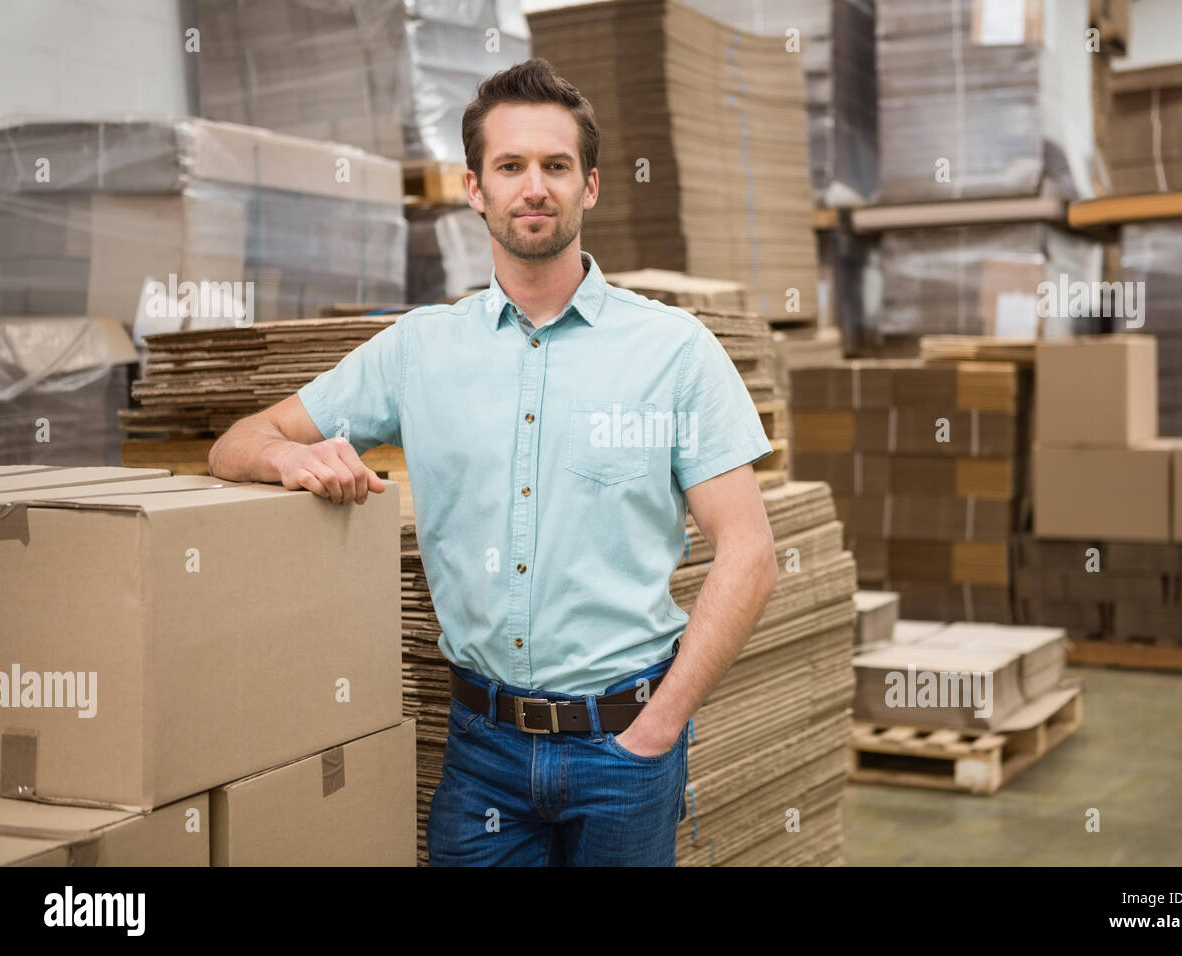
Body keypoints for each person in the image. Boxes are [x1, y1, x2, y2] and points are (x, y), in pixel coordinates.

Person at [208, 57, 779, 866]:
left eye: (556, 165)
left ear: (591, 186)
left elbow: (750, 553)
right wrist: (288, 461)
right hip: (483, 753)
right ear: (475, 188)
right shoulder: (419, 350)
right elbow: (235, 441)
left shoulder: (674, 352)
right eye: (510, 166)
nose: (533, 186)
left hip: (626, 748)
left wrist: (659, 726)